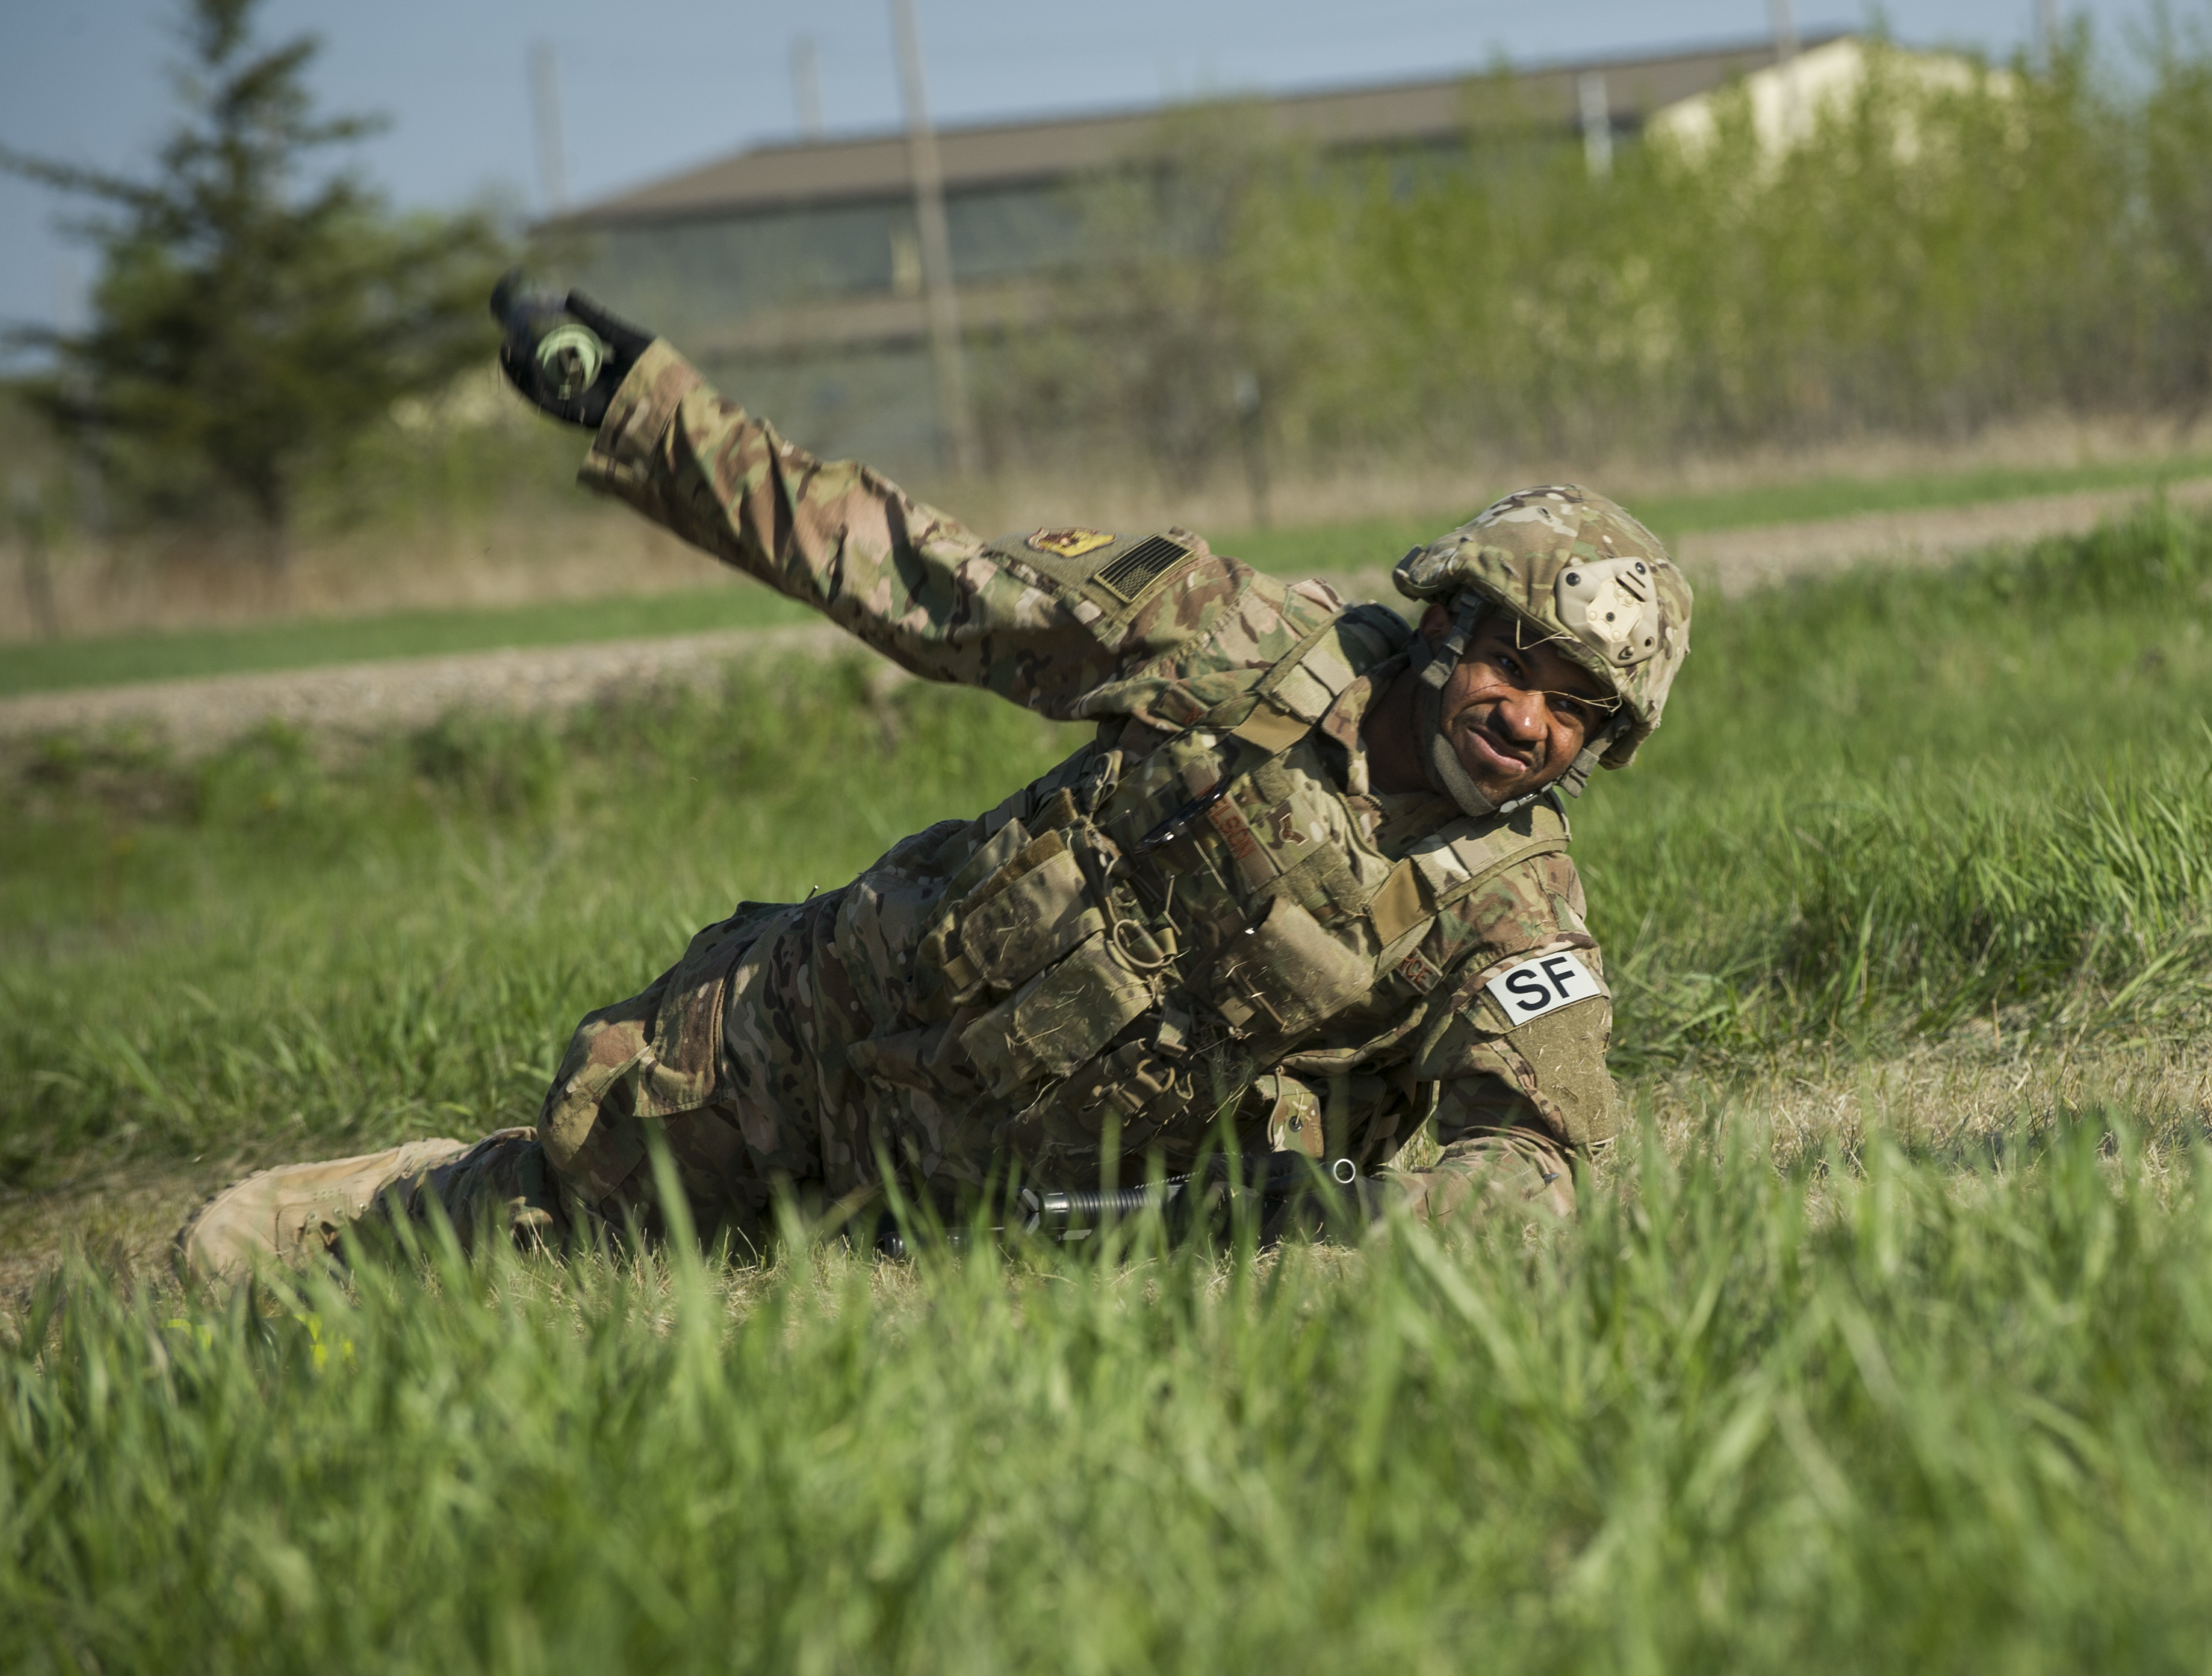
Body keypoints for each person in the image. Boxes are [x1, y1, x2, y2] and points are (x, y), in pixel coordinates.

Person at [176, 280, 1693, 1285]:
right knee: (578, 1209)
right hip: (837, 1021)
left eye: (1579, 710)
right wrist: (649, 410)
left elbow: (1537, 1141)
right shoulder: (1239, 640)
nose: (1531, 720)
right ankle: (372, 1209)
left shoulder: (1514, 913)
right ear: (1448, 621)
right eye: (1519, 660)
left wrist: (1408, 1225)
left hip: (1027, 1209)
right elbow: (922, 574)